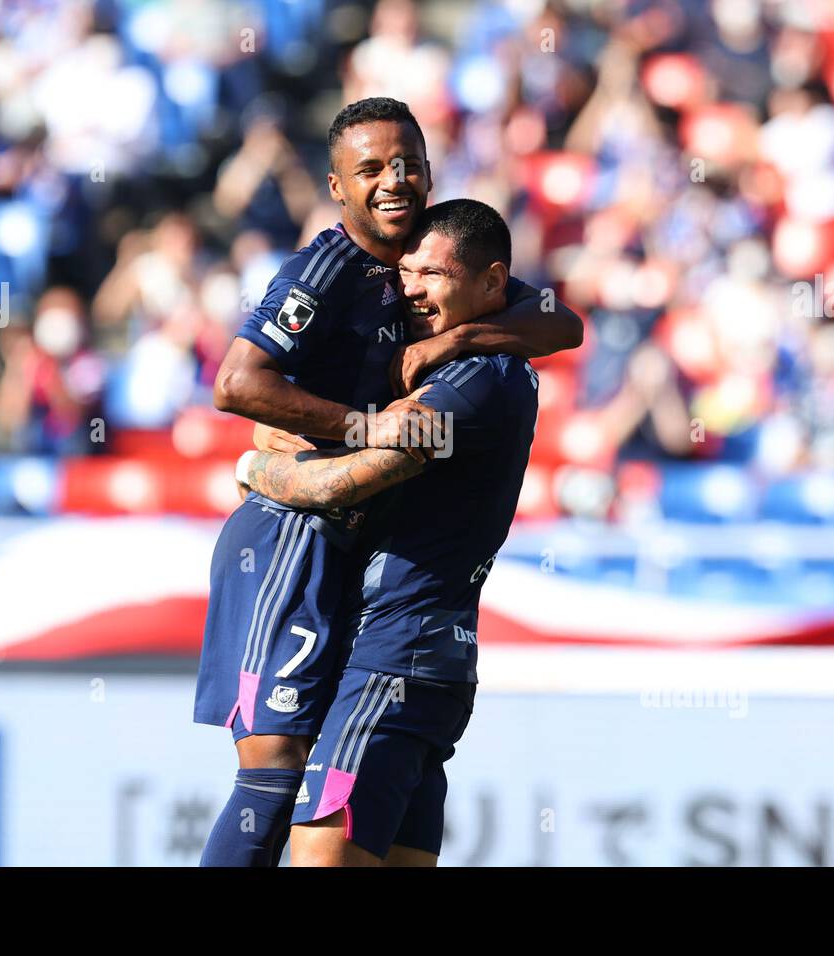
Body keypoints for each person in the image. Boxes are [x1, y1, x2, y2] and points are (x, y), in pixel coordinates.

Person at [194, 98, 582, 867]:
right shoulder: (328, 269)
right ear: (338, 188)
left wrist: (466, 334)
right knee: (276, 770)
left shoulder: (441, 261)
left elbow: (562, 324)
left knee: (325, 771)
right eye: (370, 169)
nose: (392, 182)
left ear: (429, 173)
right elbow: (236, 385)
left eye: (405, 164)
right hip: (294, 531)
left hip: (361, 550)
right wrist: (355, 427)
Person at [238, 199, 538, 866]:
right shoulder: (491, 362)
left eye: (433, 274)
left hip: (391, 659)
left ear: (493, 283)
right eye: (407, 272)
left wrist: (258, 463)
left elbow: (353, 479)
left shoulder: (471, 382)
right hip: (433, 665)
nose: (412, 289)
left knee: (319, 856)